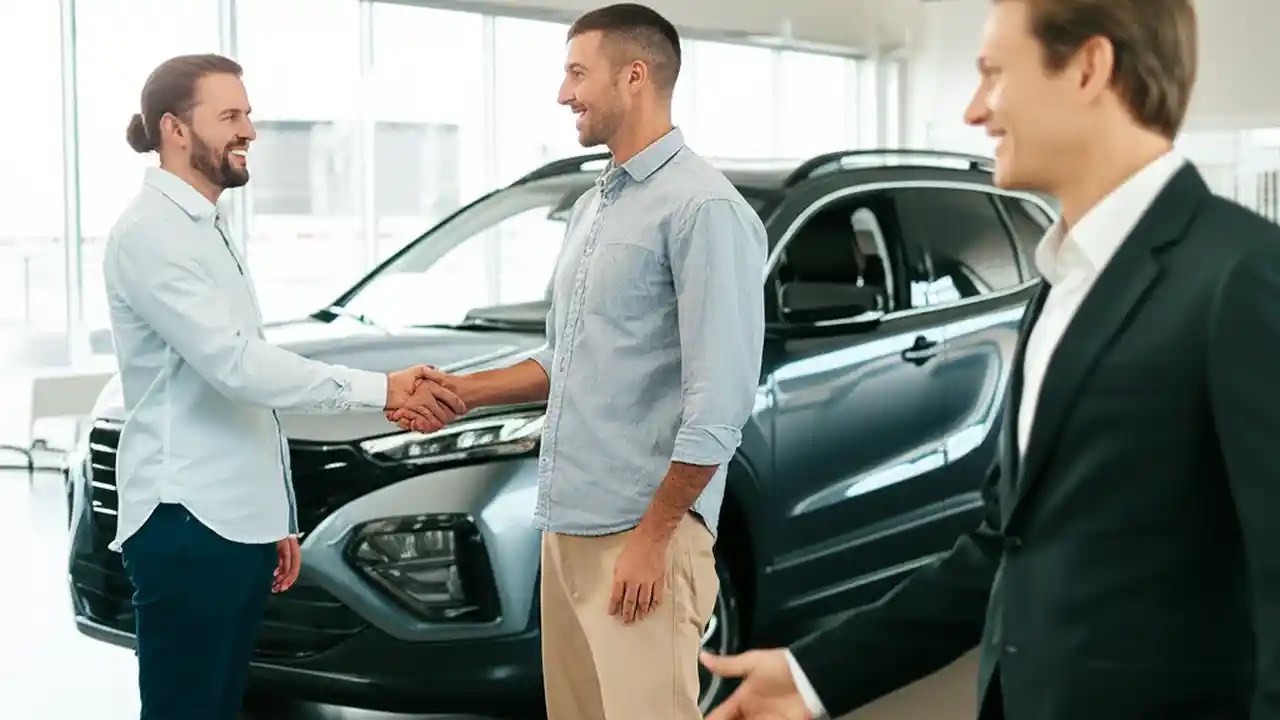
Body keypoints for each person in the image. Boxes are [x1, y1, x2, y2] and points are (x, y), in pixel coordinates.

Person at [701, 0, 1280, 719]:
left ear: (1089, 68)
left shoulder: (1245, 278)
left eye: (994, 74)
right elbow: (1005, 549)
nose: (976, 110)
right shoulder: (1059, 286)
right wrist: (817, 675)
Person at [389, 4, 766, 718]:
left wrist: (654, 538)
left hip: (641, 534)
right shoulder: (597, 206)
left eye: (576, 72)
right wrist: (461, 392)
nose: (564, 93)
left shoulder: (702, 209)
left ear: (635, 75)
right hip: (566, 528)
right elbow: (568, 358)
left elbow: (720, 403)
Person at [104, 54, 465, 720]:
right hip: (188, 523)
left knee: (219, 706)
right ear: (174, 130)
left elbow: (245, 382)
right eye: (231, 116)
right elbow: (237, 366)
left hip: (229, 521)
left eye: (249, 114)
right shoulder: (153, 233)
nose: (251, 131)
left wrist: (274, 514)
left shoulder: (202, 225)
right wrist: (383, 389)